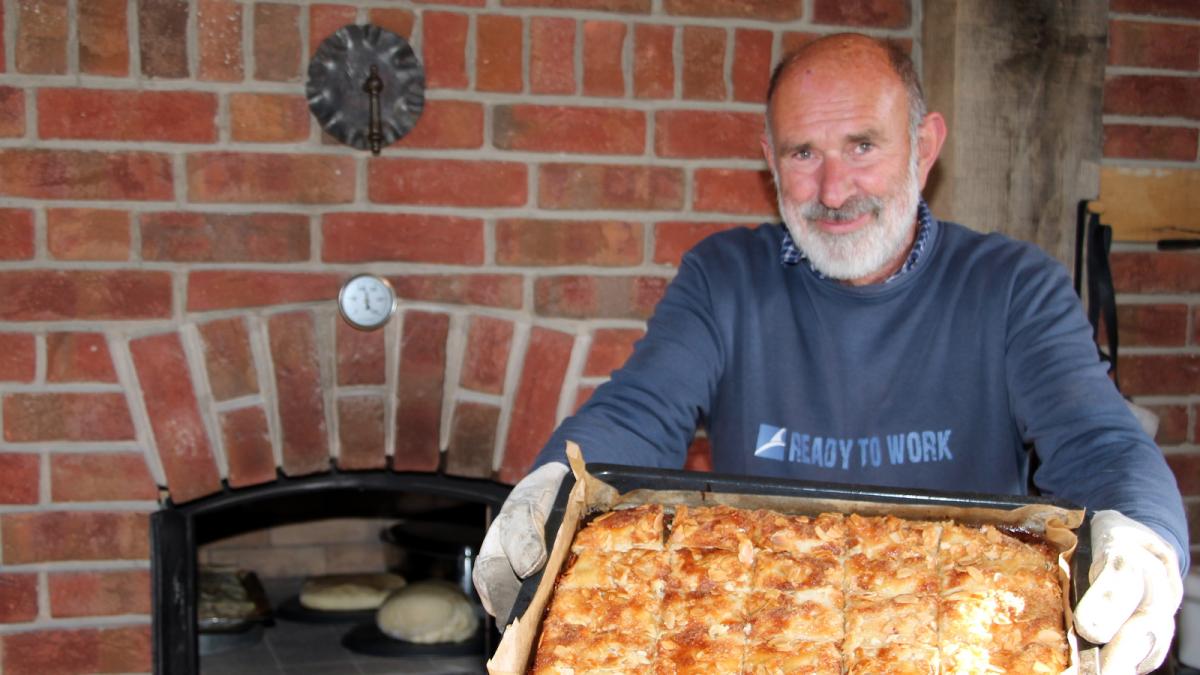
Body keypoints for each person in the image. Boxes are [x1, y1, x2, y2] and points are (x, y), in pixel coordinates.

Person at [474, 33, 1189, 674]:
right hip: (746, 629)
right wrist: (552, 488)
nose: (834, 190)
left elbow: (1098, 440)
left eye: (862, 146)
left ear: (925, 146)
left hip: (967, 627)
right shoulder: (724, 276)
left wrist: (1146, 540)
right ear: (769, 160)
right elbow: (638, 413)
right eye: (803, 153)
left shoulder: (1012, 285)